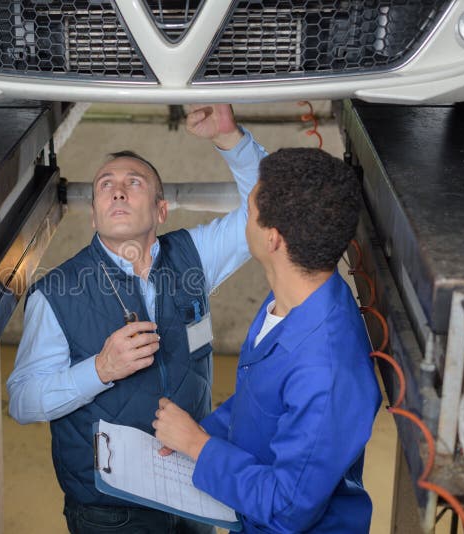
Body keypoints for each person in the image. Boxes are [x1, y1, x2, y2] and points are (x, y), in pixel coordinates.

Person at [7, 104, 268, 533]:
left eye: (134, 182)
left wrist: (231, 138)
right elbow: (22, 401)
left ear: (161, 210)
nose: (118, 191)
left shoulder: (193, 257)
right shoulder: (56, 293)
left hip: (192, 494)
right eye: (105, 185)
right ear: (93, 215)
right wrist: (100, 369)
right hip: (111, 513)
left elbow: (266, 208)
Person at [152, 148, 381, 533]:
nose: (246, 216)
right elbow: (262, 401)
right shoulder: (293, 301)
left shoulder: (326, 372)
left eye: (251, 209)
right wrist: (202, 431)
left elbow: (286, 509)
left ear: (272, 239)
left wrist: (198, 446)